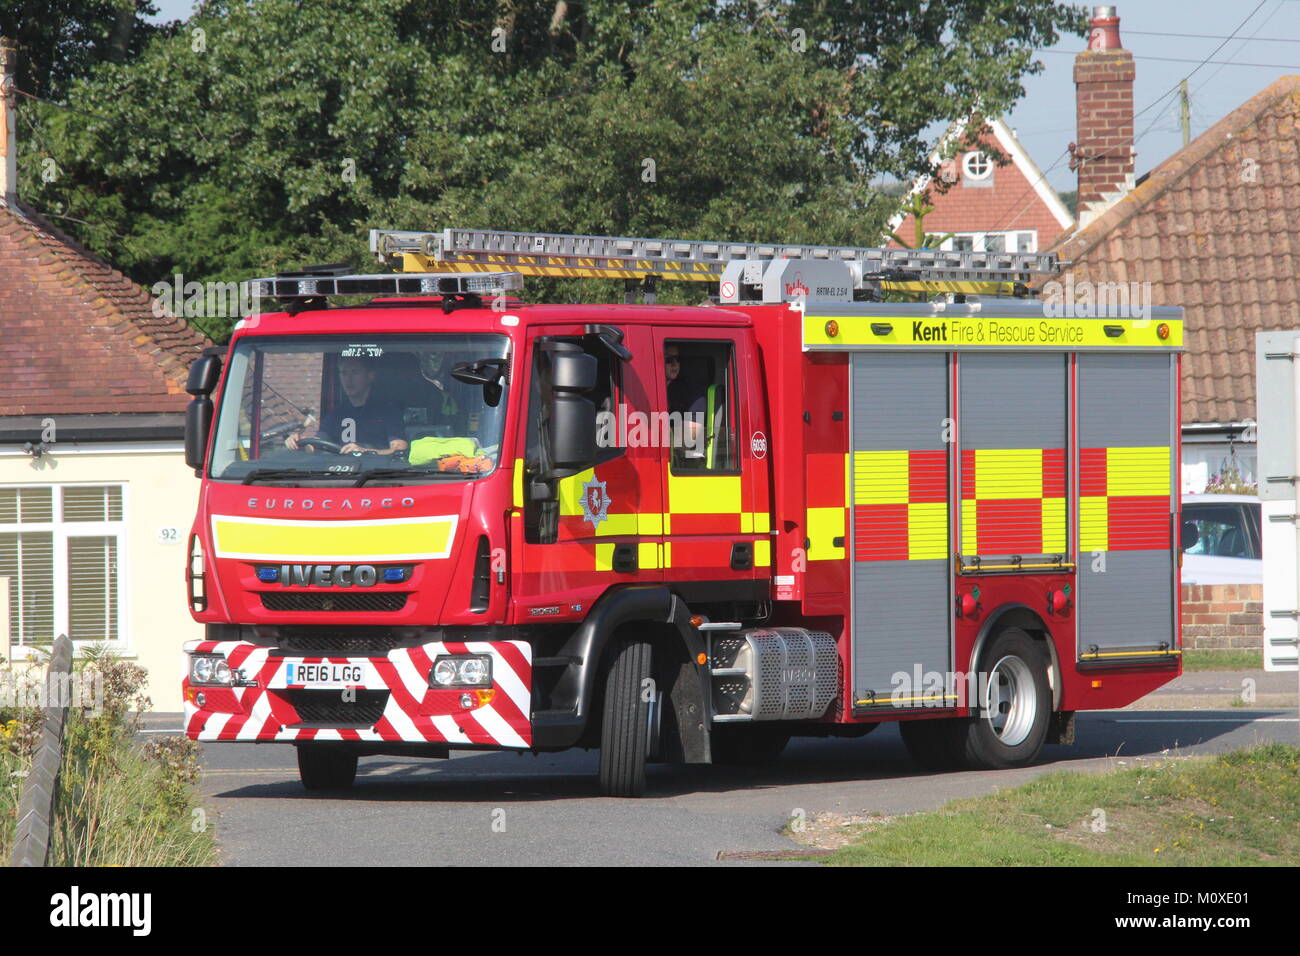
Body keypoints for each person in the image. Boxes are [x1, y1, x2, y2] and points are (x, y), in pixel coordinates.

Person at [286, 356, 409, 456]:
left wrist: (366, 452)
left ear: (370, 376)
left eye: (354, 372)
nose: (348, 379)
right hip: (344, 475)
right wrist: (299, 443)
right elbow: (318, 443)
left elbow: (399, 449)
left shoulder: (388, 410)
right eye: (344, 373)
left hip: (379, 475)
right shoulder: (338, 413)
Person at [665, 344, 708, 458]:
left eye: (678, 359)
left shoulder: (693, 392)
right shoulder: (648, 388)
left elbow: (688, 439)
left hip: (680, 462)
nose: (674, 364)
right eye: (669, 360)